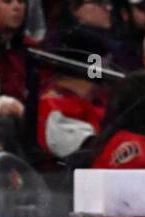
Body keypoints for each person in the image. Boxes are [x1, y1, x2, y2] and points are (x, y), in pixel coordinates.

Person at [36, 27, 112, 160]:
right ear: (94, 67)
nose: (109, 71)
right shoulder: (52, 106)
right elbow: (93, 155)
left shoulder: (96, 102)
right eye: (105, 65)